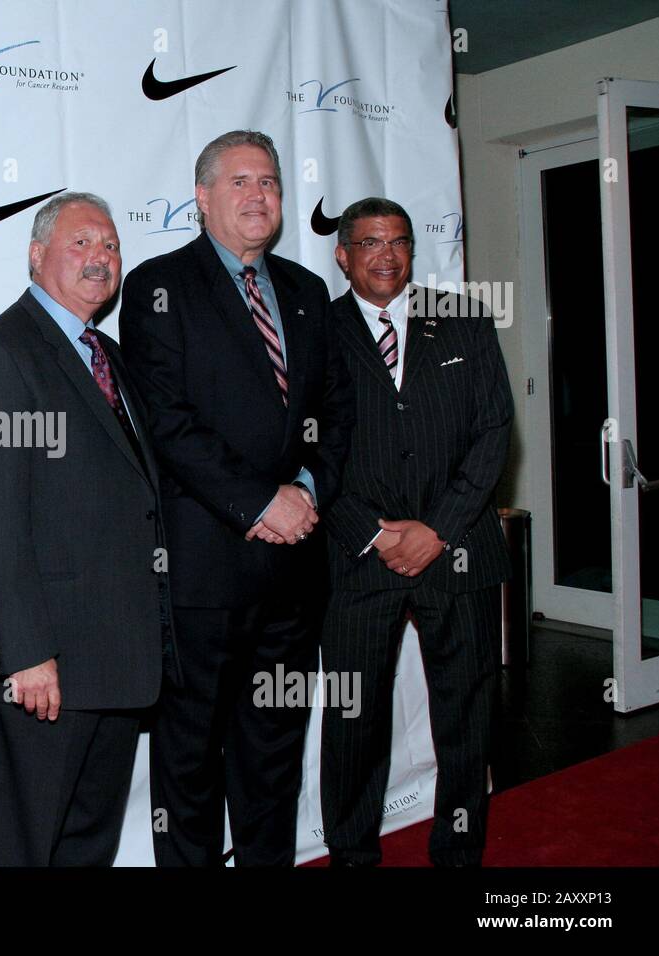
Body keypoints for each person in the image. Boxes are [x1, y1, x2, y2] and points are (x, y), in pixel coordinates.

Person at [119, 130, 354, 866]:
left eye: (271, 183)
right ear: (202, 197)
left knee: (273, 758)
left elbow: (337, 413)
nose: (260, 197)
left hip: (293, 579)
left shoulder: (309, 292)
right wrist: (261, 503)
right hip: (204, 581)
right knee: (189, 763)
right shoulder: (158, 288)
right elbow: (168, 424)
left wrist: (308, 490)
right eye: (241, 182)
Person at [0, 193, 170, 866]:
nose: (100, 258)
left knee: (85, 849)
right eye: (81, 244)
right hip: (44, 670)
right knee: (28, 850)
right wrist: (24, 656)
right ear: (37, 255)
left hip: (115, 664)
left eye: (110, 246)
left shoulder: (108, 353)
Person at [321, 197, 513, 867]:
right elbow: (307, 448)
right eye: (370, 242)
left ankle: (459, 851)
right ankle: (351, 854)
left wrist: (437, 529)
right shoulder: (318, 330)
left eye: (399, 241)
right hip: (358, 557)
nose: (387, 254)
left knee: (466, 714)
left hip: (456, 550)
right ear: (342, 254)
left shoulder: (463, 318)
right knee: (354, 719)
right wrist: (373, 534)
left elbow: (494, 432)